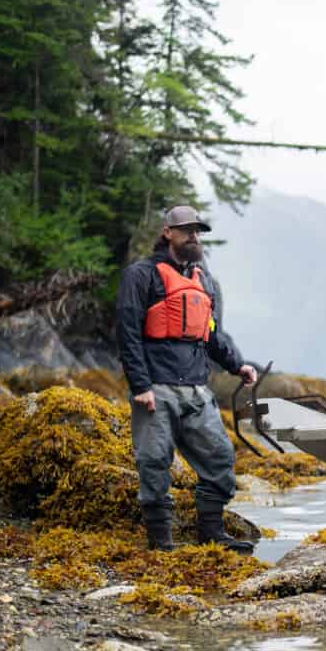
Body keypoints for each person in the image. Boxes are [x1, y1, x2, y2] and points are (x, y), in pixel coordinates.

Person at [116, 204, 258, 553]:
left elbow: (210, 335)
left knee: (220, 457)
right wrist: (140, 386)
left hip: (196, 389)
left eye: (198, 231)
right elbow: (128, 333)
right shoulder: (141, 275)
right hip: (156, 388)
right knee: (154, 462)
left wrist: (237, 365)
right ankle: (161, 542)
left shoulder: (203, 281)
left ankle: (211, 534)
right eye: (187, 230)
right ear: (168, 232)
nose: (194, 236)